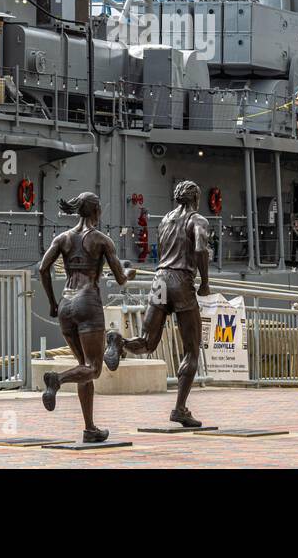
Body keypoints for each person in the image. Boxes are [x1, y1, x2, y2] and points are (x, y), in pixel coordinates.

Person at [104, 180, 210, 428]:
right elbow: (201, 249)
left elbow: (162, 253)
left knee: (148, 341)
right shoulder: (198, 220)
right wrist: (204, 282)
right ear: (195, 198)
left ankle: (119, 341)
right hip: (181, 281)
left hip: (160, 280)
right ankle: (180, 409)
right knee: (192, 350)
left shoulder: (164, 221)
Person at [38, 191, 134, 443]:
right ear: (96, 211)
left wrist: (52, 302)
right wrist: (129, 272)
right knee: (93, 368)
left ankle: (90, 428)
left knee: (84, 366)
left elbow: (42, 268)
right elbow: (121, 279)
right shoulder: (102, 240)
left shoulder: (63, 238)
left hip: (66, 304)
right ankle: (56, 380)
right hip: (87, 302)